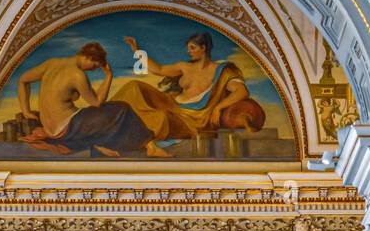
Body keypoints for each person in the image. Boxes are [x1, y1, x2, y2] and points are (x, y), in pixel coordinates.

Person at [111, 32, 265, 156]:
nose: (188, 51)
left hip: (193, 118)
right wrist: (137, 51)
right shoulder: (184, 66)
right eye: (189, 48)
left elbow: (241, 91)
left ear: (203, 48)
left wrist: (219, 107)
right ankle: (106, 121)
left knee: (161, 118)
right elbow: (158, 69)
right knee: (134, 86)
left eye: (192, 48)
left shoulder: (222, 71)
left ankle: (142, 143)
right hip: (172, 104)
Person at [15, 42, 153, 156]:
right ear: (88, 58)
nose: (93, 70)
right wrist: (109, 76)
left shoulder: (51, 63)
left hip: (51, 127)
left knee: (96, 117)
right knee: (122, 108)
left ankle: (106, 146)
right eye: (95, 66)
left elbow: (22, 80)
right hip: (68, 127)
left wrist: (26, 111)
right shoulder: (77, 75)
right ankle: (149, 145)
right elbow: (97, 102)